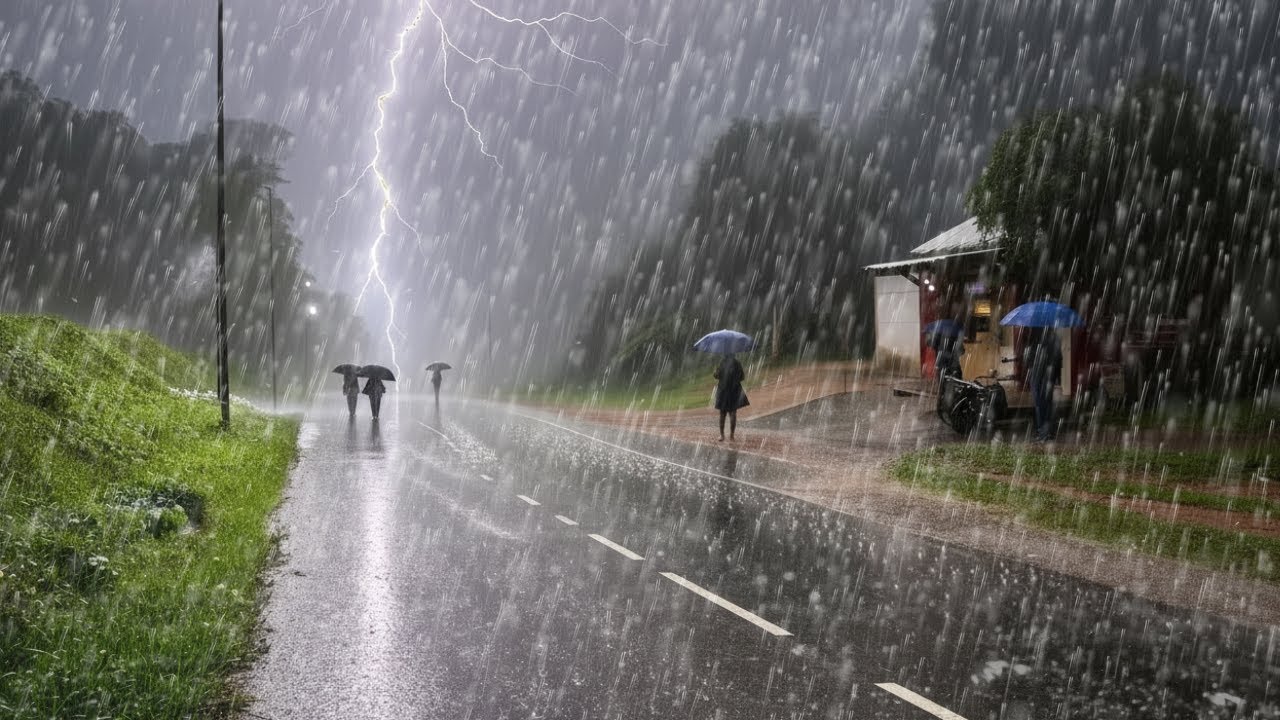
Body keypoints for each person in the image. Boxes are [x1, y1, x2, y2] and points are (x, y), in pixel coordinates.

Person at [1024, 327, 1062, 441]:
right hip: (1047, 373)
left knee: (1040, 404)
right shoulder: (1053, 336)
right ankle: (1047, 431)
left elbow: (1028, 356)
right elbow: (1058, 358)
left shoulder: (1033, 335)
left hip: (1038, 372)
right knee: (1046, 403)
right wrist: (1057, 376)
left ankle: (1043, 431)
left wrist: (1030, 367)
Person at [713, 353, 747, 442]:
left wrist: (716, 371)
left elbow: (716, 376)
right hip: (734, 390)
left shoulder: (722, 363)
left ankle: (722, 435)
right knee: (733, 413)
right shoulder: (737, 363)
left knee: (722, 413)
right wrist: (734, 379)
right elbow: (742, 377)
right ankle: (732, 436)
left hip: (723, 390)